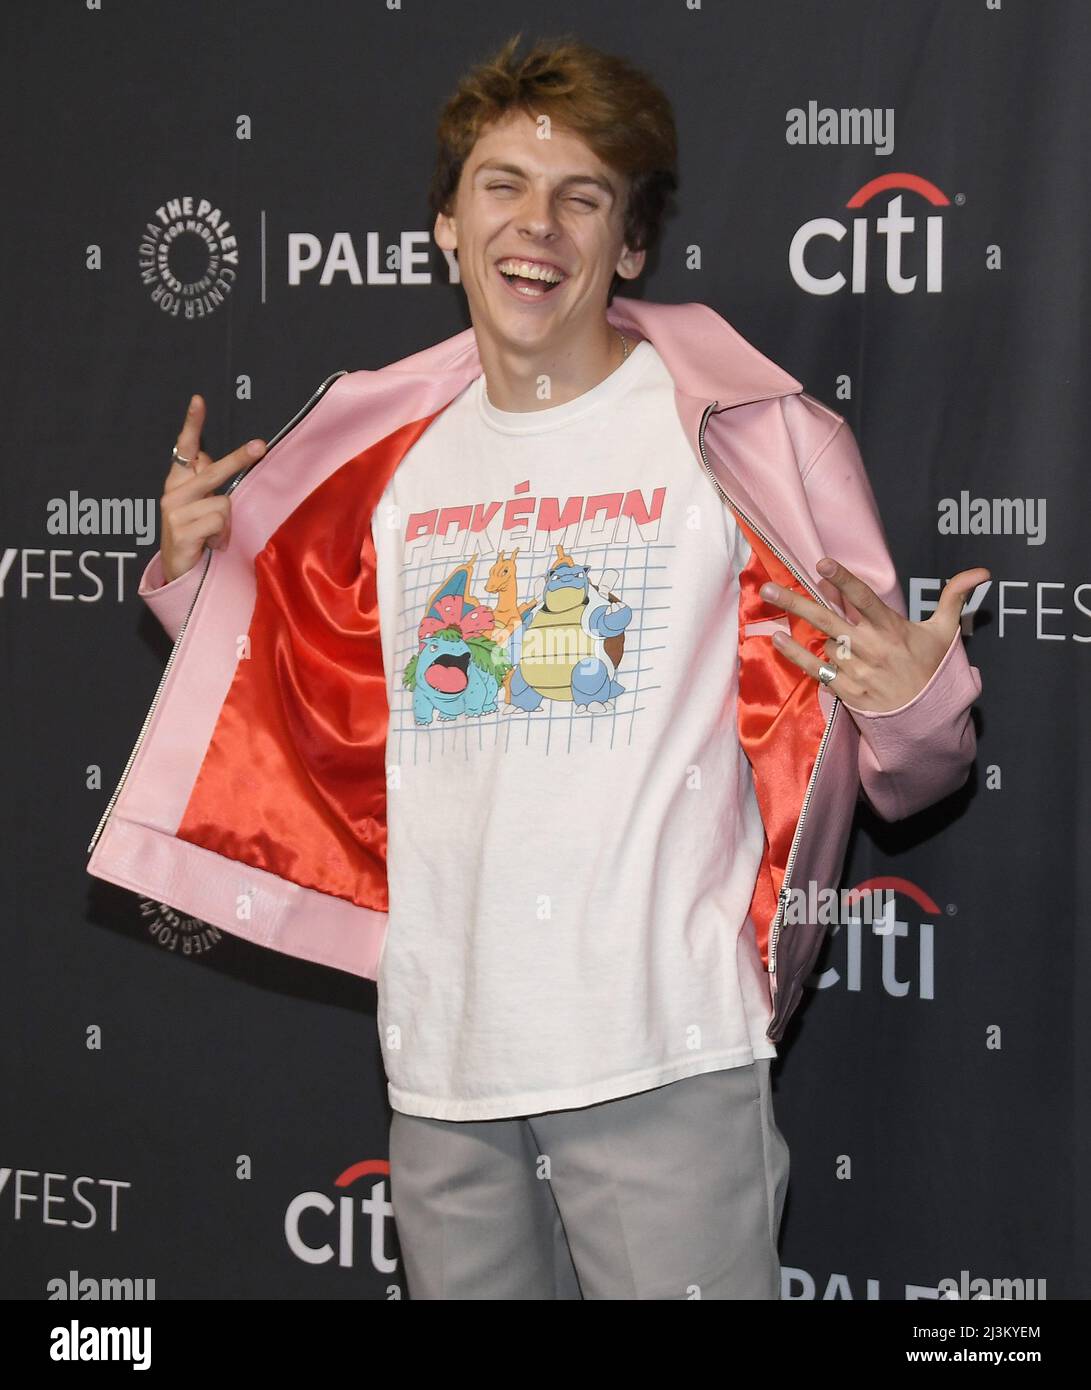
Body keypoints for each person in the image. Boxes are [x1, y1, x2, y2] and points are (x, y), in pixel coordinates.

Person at [90, 33, 986, 1299]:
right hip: (447, 1066)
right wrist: (200, 569)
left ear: (628, 245)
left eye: (582, 197)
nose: (537, 226)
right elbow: (304, 702)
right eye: (502, 184)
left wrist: (909, 694)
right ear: (447, 228)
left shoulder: (747, 439)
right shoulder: (385, 455)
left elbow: (905, 762)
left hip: (662, 1051)